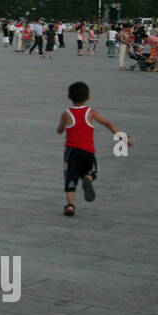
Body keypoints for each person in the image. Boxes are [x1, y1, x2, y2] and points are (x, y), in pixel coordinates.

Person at [56, 80, 129, 217]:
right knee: (92, 171)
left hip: (72, 152)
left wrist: (62, 128)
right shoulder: (91, 113)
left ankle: (70, 205)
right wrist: (124, 138)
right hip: (88, 151)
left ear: (69, 97)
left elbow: (60, 130)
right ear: (88, 97)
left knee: (70, 177)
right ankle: (88, 178)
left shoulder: (67, 113)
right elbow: (108, 123)